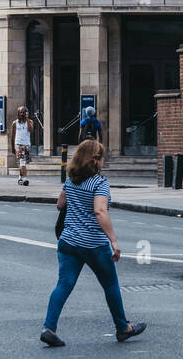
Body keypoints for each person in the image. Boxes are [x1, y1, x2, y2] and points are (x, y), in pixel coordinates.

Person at [40, 138, 145, 348]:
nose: (103, 161)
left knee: (64, 285)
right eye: (101, 158)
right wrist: (113, 240)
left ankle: (49, 328)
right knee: (110, 284)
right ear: (94, 161)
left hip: (68, 241)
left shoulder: (71, 180)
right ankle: (123, 328)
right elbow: (100, 211)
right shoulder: (99, 183)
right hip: (93, 244)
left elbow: (60, 204)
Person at [10, 105, 33, 186]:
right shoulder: (14, 123)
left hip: (27, 144)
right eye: (21, 112)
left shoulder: (29, 122)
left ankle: (20, 177)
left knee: (23, 162)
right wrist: (12, 146)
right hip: (18, 144)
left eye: (24, 112)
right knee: (22, 162)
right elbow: (12, 136)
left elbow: (31, 130)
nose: (22, 114)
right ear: (18, 113)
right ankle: (25, 179)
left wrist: (27, 118)